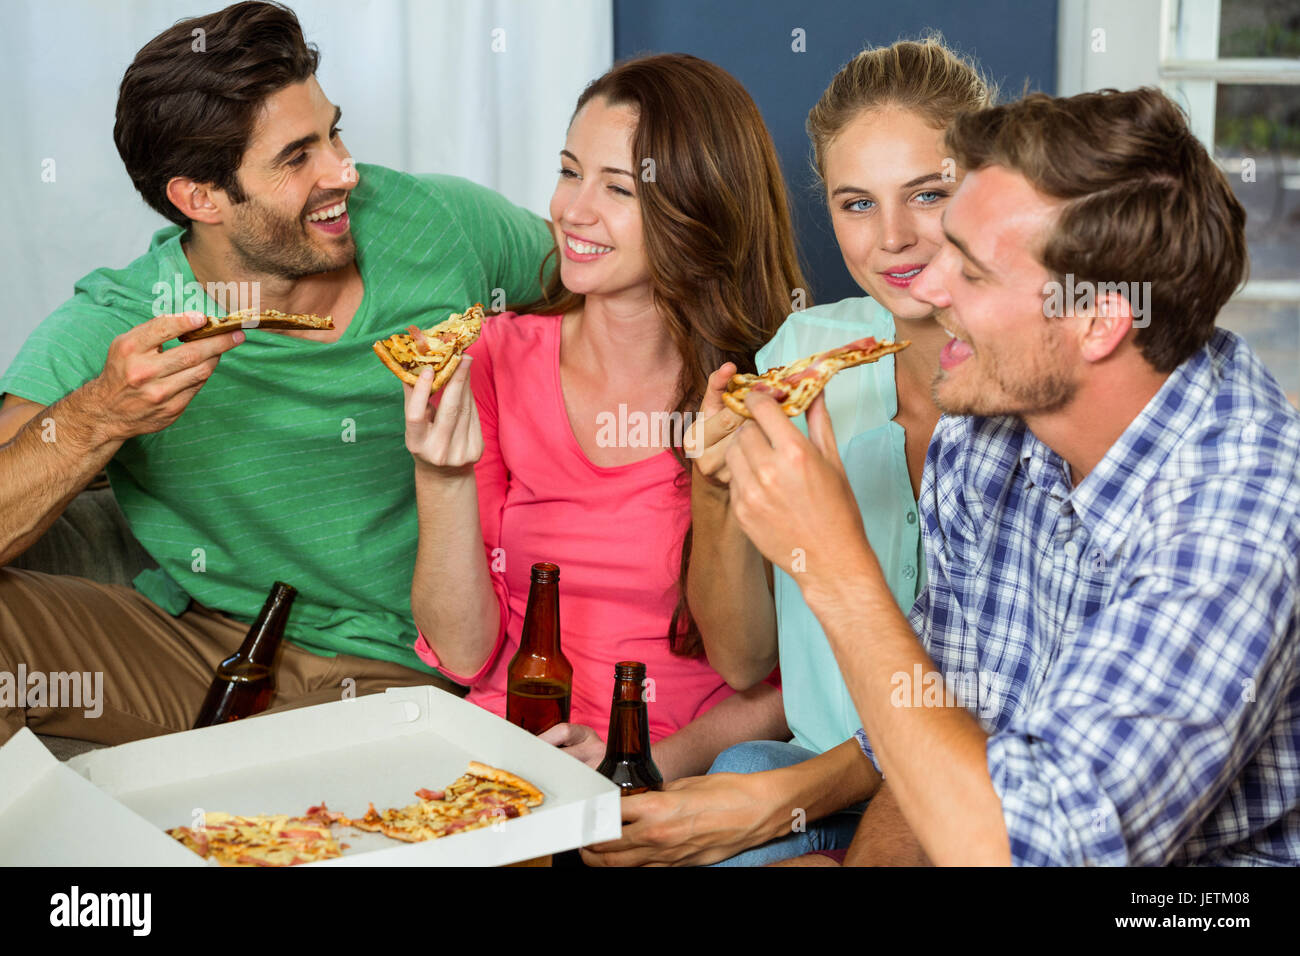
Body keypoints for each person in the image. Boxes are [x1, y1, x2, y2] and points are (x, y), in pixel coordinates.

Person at [725, 86, 1300, 865]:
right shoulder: (987, 427)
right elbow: (945, 724)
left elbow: (1033, 849)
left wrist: (832, 562)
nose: (927, 291)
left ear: (1098, 320)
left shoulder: (1240, 519)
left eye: (974, 272)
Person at [0, 1, 553, 745]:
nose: (344, 172)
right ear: (199, 198)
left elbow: (612, 280)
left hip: (394, 666)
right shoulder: (128, 320)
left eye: (334, 133)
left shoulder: (437, 224)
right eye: (298, 157)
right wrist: (101, 416)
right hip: (200, 642)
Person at [581, 37, 992, 867]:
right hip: (816, 762)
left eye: (928, 194)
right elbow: (742, 660)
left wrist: (776, 805)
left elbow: (1000, 716)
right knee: (730, 774)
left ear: (985, 187)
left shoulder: (1025, 380)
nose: (896, 239)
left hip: (965, 777)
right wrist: (714, 486)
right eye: (857, 204)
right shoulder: (804, 355)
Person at [404, 54, 804, 779]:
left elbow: (773, 678)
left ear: (700, 204)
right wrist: (440, 476)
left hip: (680, 773)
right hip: (506, 763)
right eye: (568, 171)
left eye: (618, 187)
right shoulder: (494, 355)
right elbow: (464, 653)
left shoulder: (764, 389)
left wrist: (636, 771)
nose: (573, 211)